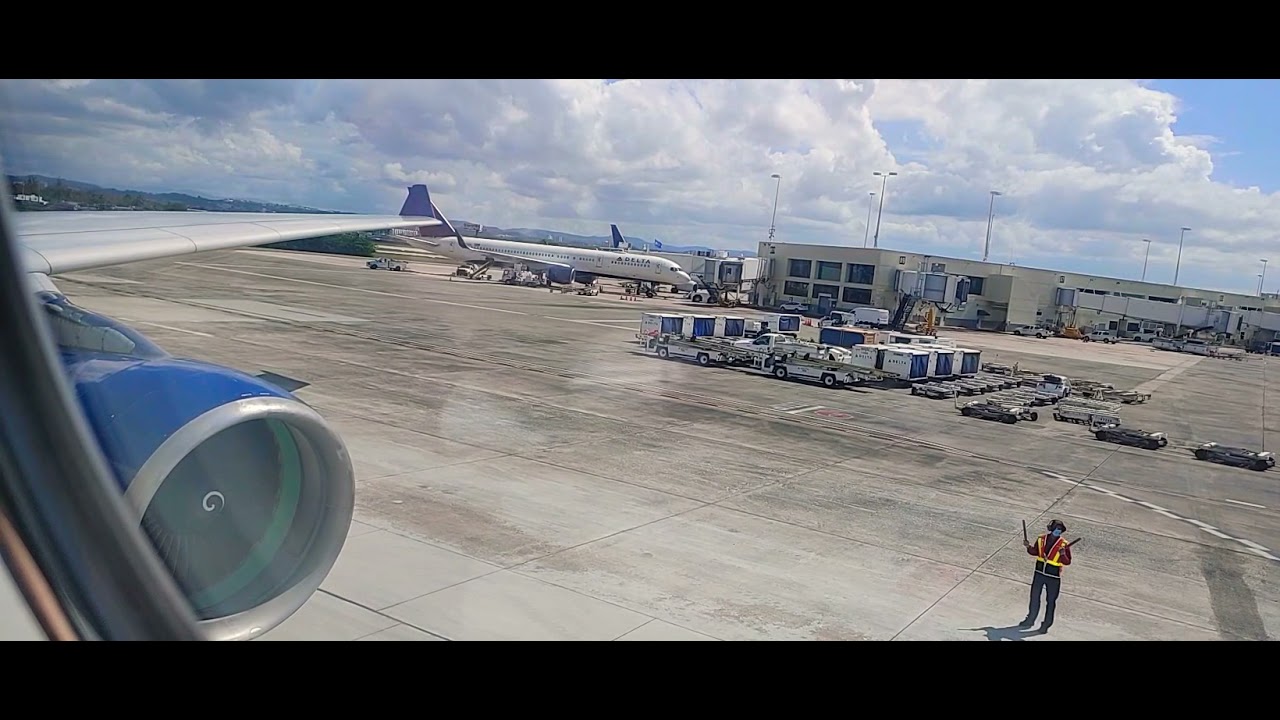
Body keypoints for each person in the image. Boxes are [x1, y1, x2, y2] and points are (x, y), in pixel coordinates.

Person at [1019, 519, 1072, 633]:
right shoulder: (1041, 539)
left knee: (1051, 601)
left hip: (1053, 576)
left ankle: (1046, 625)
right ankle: (1030, 619)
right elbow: (1035, 552)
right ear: (1051, 529)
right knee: (1034, 596)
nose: (1058, 531)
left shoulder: (1064, 544)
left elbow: (1067, 562)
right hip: (1039, 573)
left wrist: (1063, 554)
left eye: (1060, 529)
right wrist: (1028, 547)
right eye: (1056, 529)